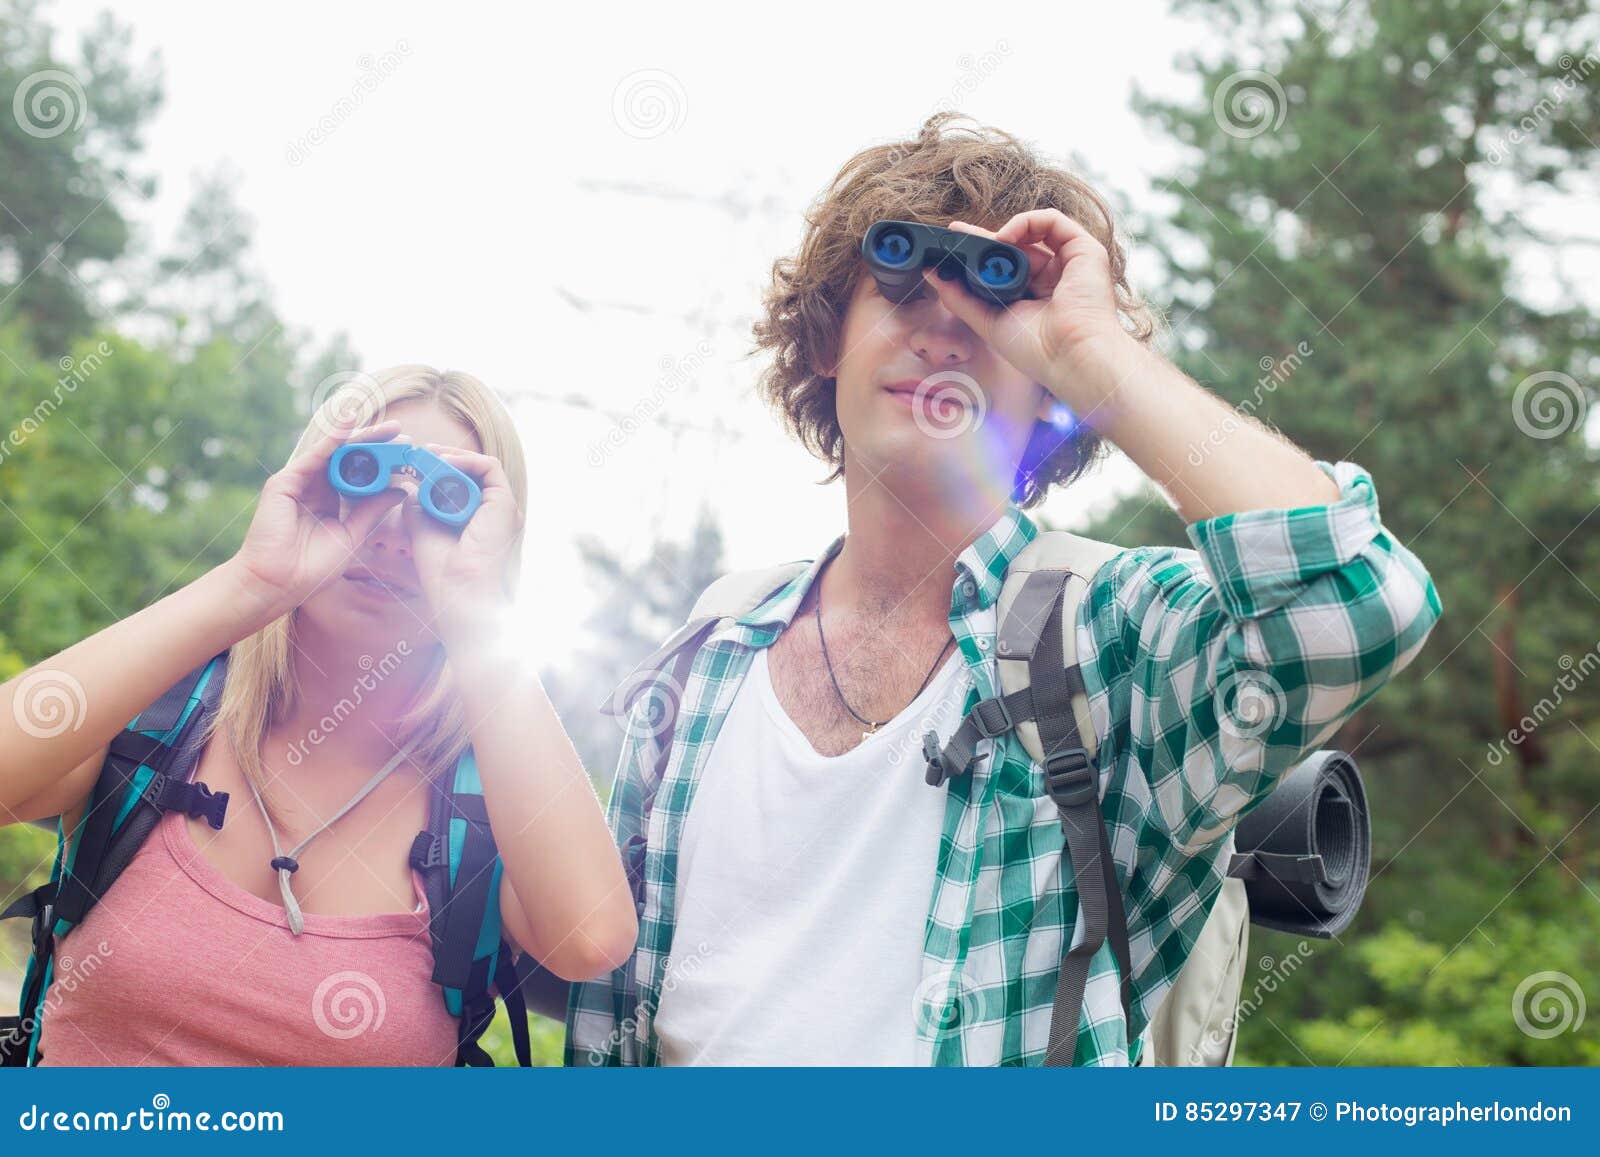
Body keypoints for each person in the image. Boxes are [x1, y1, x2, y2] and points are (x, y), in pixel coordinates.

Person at [566, 114, 1443, 1067]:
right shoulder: (700, 672)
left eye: (992, 301)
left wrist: (1091, 351)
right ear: (827, 343)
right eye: (901, 284)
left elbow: (1355, 603)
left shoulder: (1107, 643)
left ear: (1049, 396)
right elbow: (611, 1024)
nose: (945, 330)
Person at [0, 365, 636, 1065]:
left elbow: (591, 939)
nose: (394, 535)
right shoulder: (159, 719)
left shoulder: (485, 810)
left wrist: (477, 615)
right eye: (361, 478)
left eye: (440, 503)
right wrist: (251, 584)